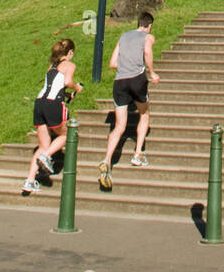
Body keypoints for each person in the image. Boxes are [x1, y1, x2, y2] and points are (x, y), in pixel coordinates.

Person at [98, 12, 160, 191]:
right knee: (144, 114)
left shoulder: (124, 36)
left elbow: (112, 63)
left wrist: (126, 65)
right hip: (137, 79)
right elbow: (147, 51)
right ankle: (138, 154)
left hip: (120, 82)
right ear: (149, 25)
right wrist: (151, 72)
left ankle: (106, 159)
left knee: (119, 126)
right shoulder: (148, 36)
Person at [22, 38, 83, 195]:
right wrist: (77, 88)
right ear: (70, 53)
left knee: (43, 144)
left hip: (39, 104)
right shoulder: (69, 65)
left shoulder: (52, 66)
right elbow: (68, 81)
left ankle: (29, 180)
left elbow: (54, 86)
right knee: (68, 133)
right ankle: (46, 156)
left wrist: (68, 95)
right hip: (53, 105)